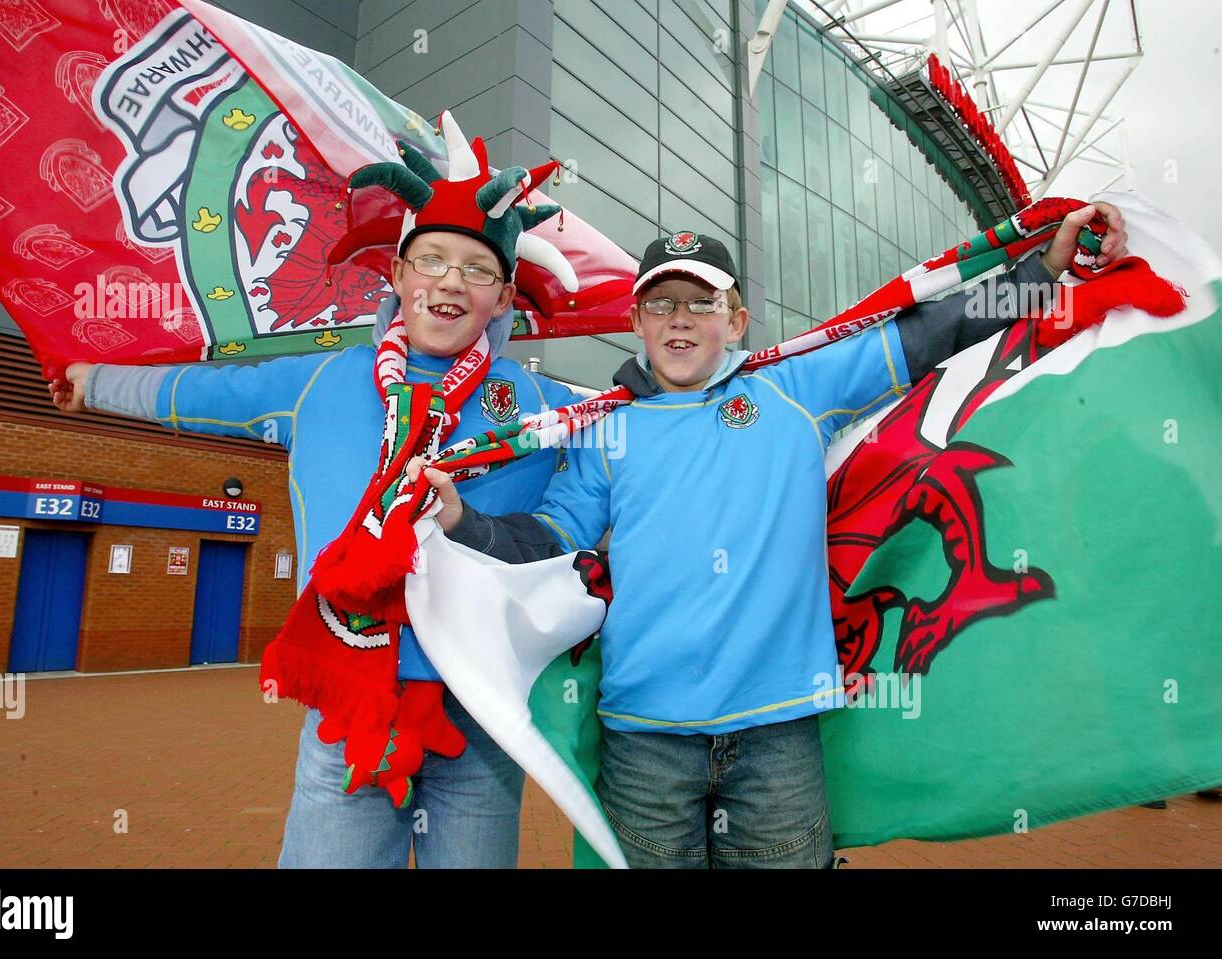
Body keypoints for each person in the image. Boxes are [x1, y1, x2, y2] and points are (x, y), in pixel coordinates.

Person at [413, 202, 1129, 868]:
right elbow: (549, 539)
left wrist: (1042, 274)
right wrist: (460, 521)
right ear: (637, 320)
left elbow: (933, 331)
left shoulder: (796, 389)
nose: (681, 319)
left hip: (778, 735)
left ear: (738, 319)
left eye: (703, 302)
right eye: (662, 303)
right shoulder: (604, 429)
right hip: (644, 740)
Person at [48, 113, 581, 868]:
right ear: (397, 274)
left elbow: (649, 443)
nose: (450, 281)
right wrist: (95, 381)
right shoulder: (322, 379)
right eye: (431, 258)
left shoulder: (545, 406)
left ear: (503, 296)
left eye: (478, 268)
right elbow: (200, 393)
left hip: (482, 717)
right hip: (348, 699)